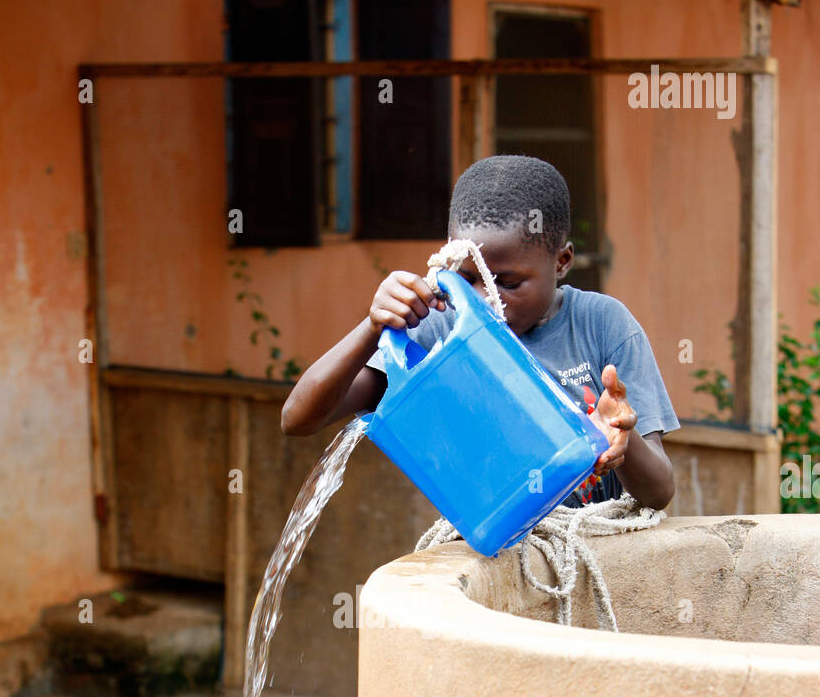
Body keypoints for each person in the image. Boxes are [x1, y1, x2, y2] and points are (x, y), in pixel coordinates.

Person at [282, 154, 677, 511]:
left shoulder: (601, 324)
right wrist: (372, 326)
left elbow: (659, 493)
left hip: (595, 560)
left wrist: (624, 440)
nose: (485, 300)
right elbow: (298, 419)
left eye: (506, 282)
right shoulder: (436, 327)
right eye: (467, 278)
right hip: (491, 563)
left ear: (562, 262)